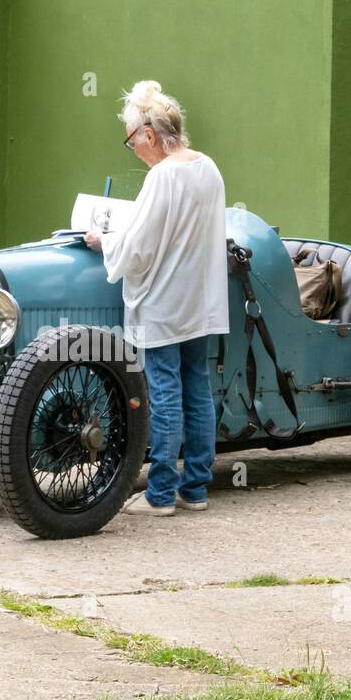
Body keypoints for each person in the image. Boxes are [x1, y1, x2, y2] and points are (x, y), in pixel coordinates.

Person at [84, 80, 228, 516]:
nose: (134, 151)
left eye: (132, 142)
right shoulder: (208, 167)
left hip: (164, 302)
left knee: (164, 391)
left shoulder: (162, 176)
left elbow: (139, 247)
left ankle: (161, 494)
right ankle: (195, 488)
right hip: (200, 298)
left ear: (148, 134)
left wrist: (104, 240)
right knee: (197, 386)